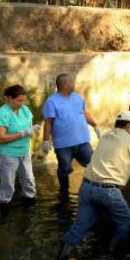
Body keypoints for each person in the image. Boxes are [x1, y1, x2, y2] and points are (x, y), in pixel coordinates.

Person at [55, 111, 130, 260]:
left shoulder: (105, 137)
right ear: (129, 126)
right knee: (124, 222)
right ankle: (110, 255)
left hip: (86, 187)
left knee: (79, 226)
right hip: (108, 191)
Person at [41, 73, 102, 204]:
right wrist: (46, 140)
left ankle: (97, 190)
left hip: (82, 141)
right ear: (64, 84)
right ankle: (64, 193)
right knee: (64, 169)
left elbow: (85, 113)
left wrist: (95, 125)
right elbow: (49, 122)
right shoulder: (52, 101)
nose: (73, 84)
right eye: (71, 82)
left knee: (93, 164)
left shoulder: (78, 98)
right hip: (63, 145)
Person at [0, 84, 39, 224]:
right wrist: (24, 133)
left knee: (29, 181)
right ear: (10, 99)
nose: (22, 103)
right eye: (19, 100)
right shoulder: (2, 113)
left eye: (23, 100)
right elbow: (0, 138)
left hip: (24, 152)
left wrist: (32, 131)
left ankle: (30, 212)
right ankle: (3, 214)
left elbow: (29, 129)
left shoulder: (25, 110)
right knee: (8, 186)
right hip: (8, 154)